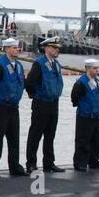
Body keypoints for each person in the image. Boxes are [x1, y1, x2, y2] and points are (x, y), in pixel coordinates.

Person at [0, 37, 28, 177]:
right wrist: (3, 96)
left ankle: (14, 167)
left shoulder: (19, 66)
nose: (17, 50)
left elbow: (22, 83)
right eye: (14, 48)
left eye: (17, 47)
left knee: (14, 139)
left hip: (14, 107)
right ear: (7, 49)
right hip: (1, 107)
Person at [24, 36, 66, 173]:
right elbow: (29, 82)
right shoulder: (39, 63)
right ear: (46, 48)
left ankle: (49, 163)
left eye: (58, 48)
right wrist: (36, 95)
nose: (57, 50)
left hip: (54, 103)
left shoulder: (56, 64)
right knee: (36, 134)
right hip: (41, 103)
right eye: (54, 48)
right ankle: (31, 163)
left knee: (50, 134)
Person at [70, 58, 99, 170]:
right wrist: (84, 108)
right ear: (88, 69)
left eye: (97, 68)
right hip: (85, 115)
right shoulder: (81, 82)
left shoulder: (98, 82)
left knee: (95, 140)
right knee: (83, 140)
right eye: (94, 68)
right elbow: (74, 98)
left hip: (95, 115)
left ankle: (93, 160)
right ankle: (80, 162)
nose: (97, 71)